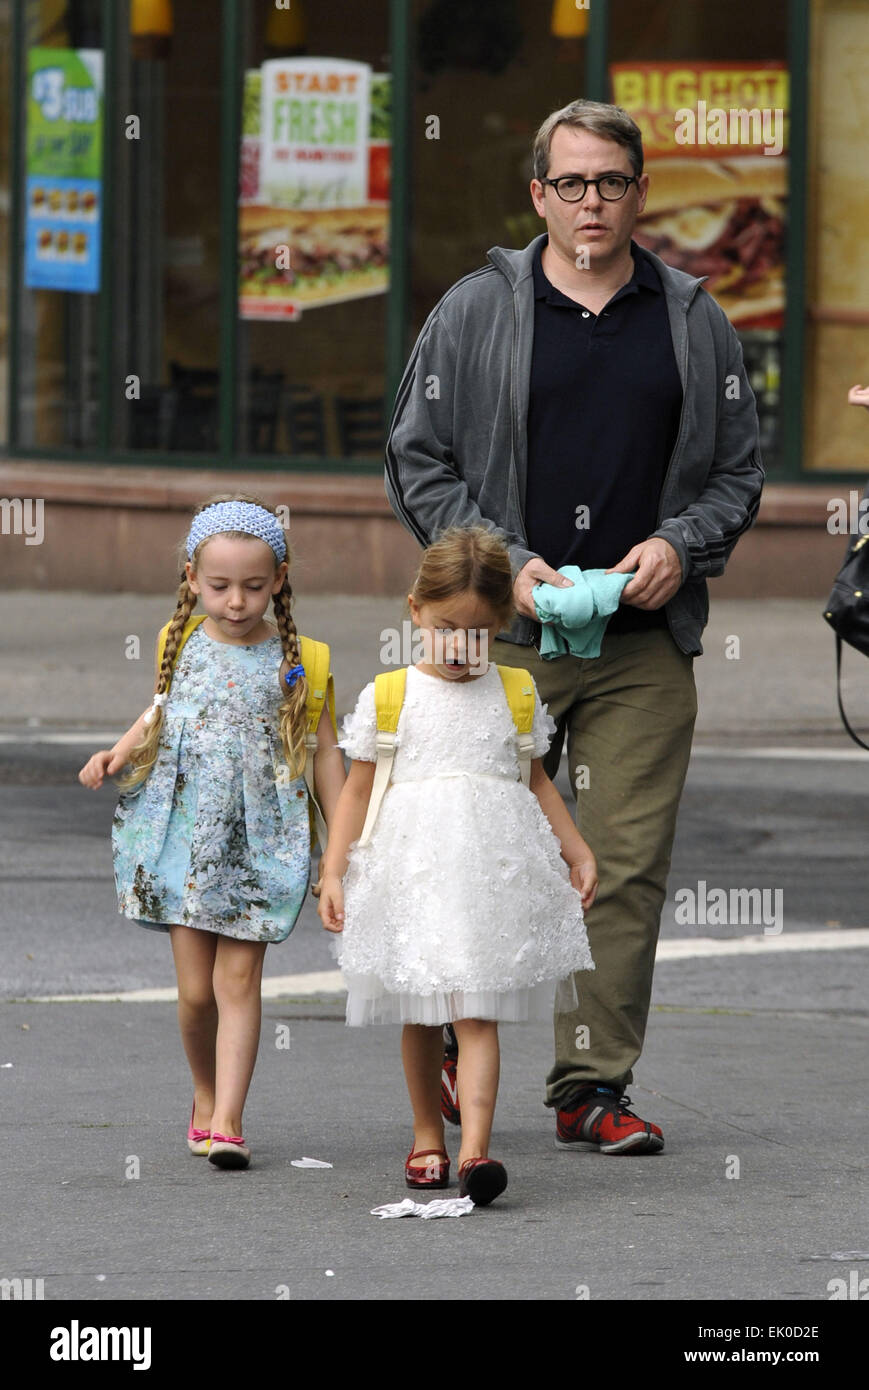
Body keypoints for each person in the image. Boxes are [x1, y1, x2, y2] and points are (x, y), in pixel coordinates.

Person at [385, 100, 764, 1154]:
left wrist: (679, 543)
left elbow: (738, 470)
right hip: (496, 646)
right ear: (536, 194)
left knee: (621, 865)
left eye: (609, 182)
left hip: (641, 647)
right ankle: (460, 1037)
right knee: (470, 852)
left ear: (639, 192)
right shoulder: (474, 311)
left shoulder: (692, 317)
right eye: (569, 183)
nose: (589, 202)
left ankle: (587, 1087)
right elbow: (415, 460)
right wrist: (503, 560)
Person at [317, 527, 598, 1205]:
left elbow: (533, 782)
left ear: (500, 625)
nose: (459, 647)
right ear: (414, 611)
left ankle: (475, 1151)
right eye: (445, 628)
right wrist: (332, 872)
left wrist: (577, 848)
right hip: (410, 878)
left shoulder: (516, 691)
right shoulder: (389, 694)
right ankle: (425, 1135)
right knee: (418, 1012)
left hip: (484, 882)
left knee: (476, 1013)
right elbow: (355, 790)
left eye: (476, 632)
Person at [78, 493, 345, 1170]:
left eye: (253, 587)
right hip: (184, 836)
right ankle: (204, 1094)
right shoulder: (179, 640)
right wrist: (116, 751)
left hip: (262, 840)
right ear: (191, 579)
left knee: (237, 984)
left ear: (278, 581)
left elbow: (324, 752)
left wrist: (341, 846)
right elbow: (161, 710)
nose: (235, 601)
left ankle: (229, 1119)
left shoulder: (303, 659)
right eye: (220, 586)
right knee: (195, 995)